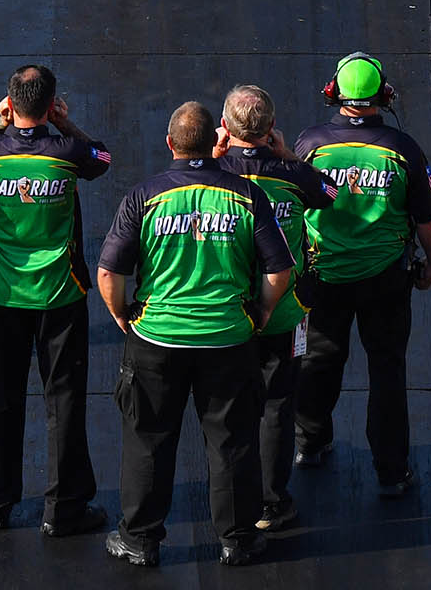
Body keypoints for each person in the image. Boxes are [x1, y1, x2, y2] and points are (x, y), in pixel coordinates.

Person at [97, 101, 294, 567]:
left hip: (156, 340)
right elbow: (279, 268)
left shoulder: (143, 197)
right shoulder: (247, 196)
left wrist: (124, 315)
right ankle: (238, 540)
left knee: (149, 438)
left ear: (170, 144)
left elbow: (109, 273)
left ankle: (140, 539)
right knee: (232, 441)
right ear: (216, 144)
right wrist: (261, 314)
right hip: (228, 339)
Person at [0, 63, 110, 536]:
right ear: (51, 105)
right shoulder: (67, 152)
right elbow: (102, 159)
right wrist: (65, 125)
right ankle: (64, 508)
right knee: (64, 402)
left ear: (10, 102)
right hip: (60, 296)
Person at [293, 52, 431, 497]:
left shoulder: (309, 144)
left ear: (333, 93)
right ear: (384, 96)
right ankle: (391, 470)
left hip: (323, 279)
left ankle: (310, 443)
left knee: (318, 361)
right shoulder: (404, 149)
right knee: (386, 370)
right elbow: (427, 218)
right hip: (387, 280)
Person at [214, 84, 337, 532]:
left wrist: (213, 152)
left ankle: (231, 502)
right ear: (271, 129)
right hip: (283, 313)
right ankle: (271, 502)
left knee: (228, 409)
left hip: (228, 313)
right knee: (276, 407)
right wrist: (289, 158)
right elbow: (333, 194)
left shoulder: (215, 170)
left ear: (225, 128)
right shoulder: (293, 175)